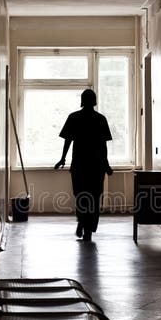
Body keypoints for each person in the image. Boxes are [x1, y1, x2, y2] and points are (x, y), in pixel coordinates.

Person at [54, 88, 113, 242]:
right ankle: (88, 230)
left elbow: (68, 140)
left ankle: (82, 221)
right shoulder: (100, 119)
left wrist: (62, 158)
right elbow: (103, 146)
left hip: (79, 165)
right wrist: (106, 165)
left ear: (82, 101)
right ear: (94, 101)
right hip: (96, 166)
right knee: (94, 198)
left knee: (80, 196)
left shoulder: (74, 117)